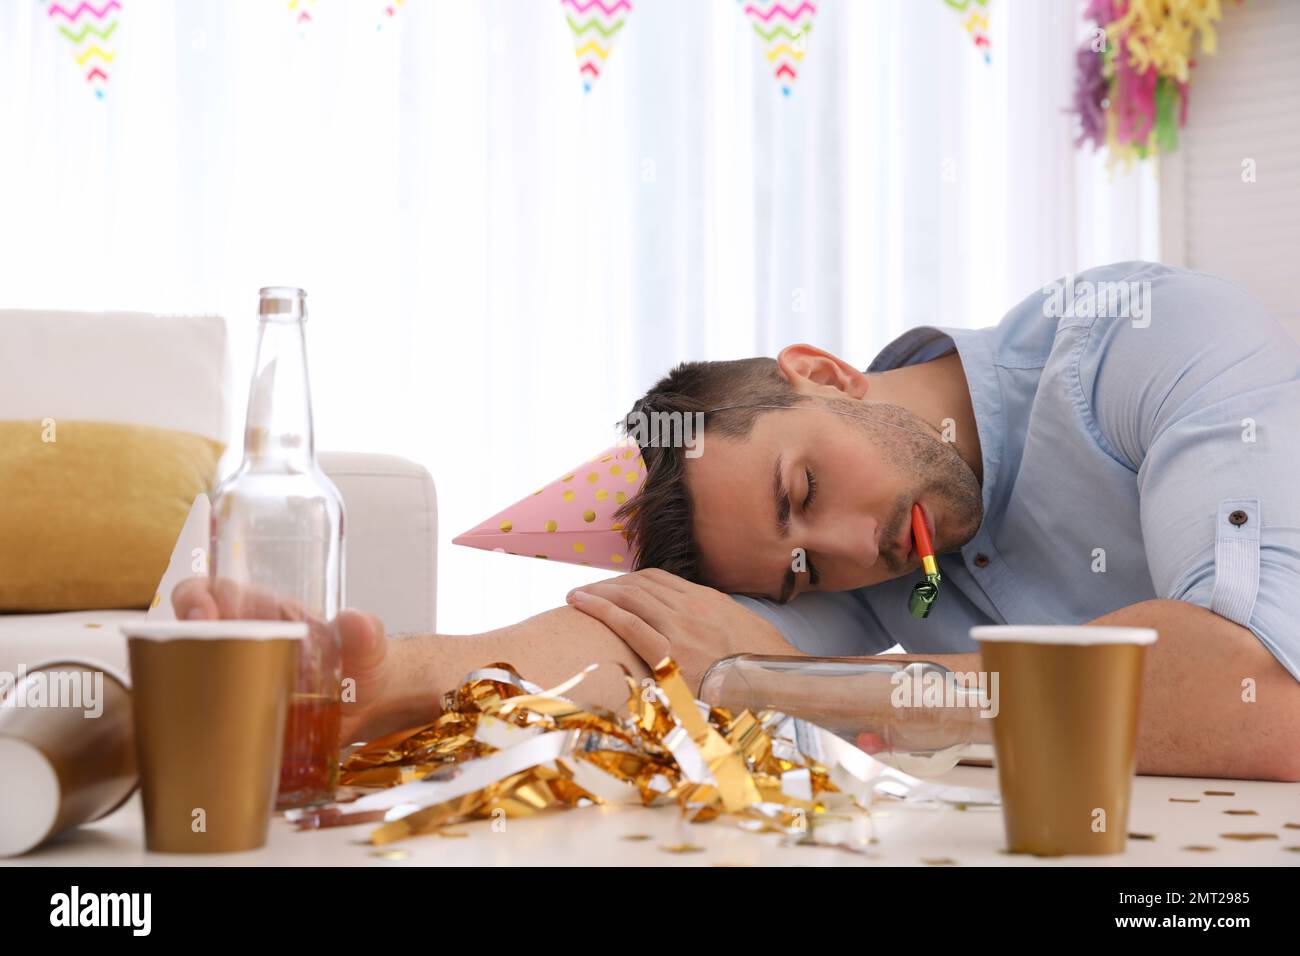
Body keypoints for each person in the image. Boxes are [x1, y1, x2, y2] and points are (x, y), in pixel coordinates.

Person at [177, 261, 1300, 781]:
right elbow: (652, 644)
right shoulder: (873, 560)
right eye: (802, 572)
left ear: (821, 373)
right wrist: (381, 677)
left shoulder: (1145, 341)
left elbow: (1264, 700)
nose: (859, 551)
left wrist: (816, 683)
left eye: (803, 489)